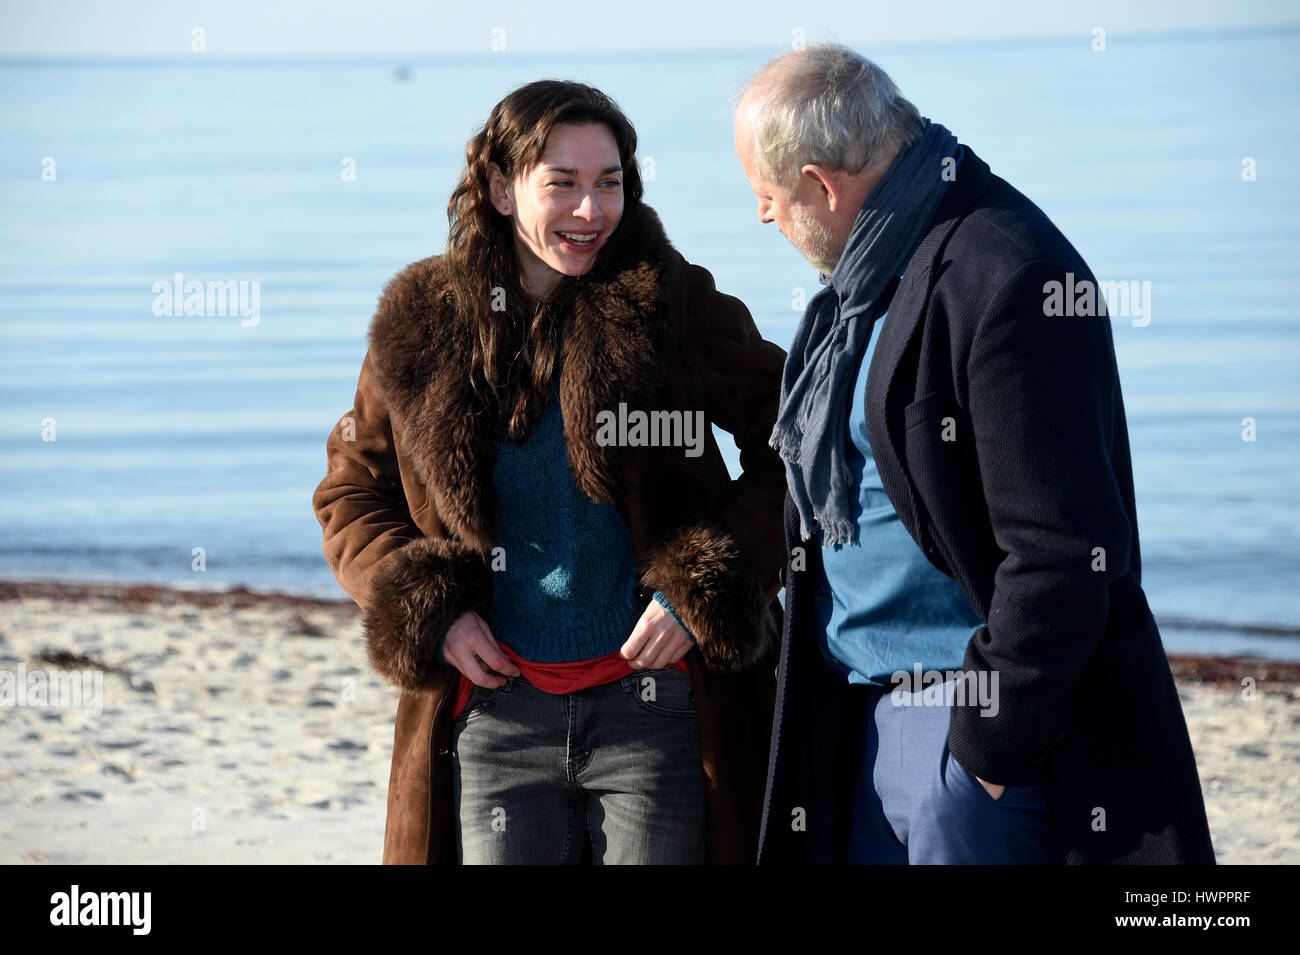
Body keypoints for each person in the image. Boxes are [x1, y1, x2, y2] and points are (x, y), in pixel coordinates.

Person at [734, 44, 1216, 864]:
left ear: (822, 185)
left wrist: (982, 751)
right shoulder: (872, 273)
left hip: (961, 734)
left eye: (769, 196)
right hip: (860, 716)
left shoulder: (1009, 275)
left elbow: (1066, 553)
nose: (764, 218)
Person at [312, 79, 788, 864]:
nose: (590, 210)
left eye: (609, 184)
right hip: (491, 715)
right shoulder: (422, 322)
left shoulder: (672, 301)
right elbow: (350, 493)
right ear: (501, 187)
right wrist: (433, 612)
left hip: (656, 709)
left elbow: (794, 438)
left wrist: (700, 584)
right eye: (561, 183)